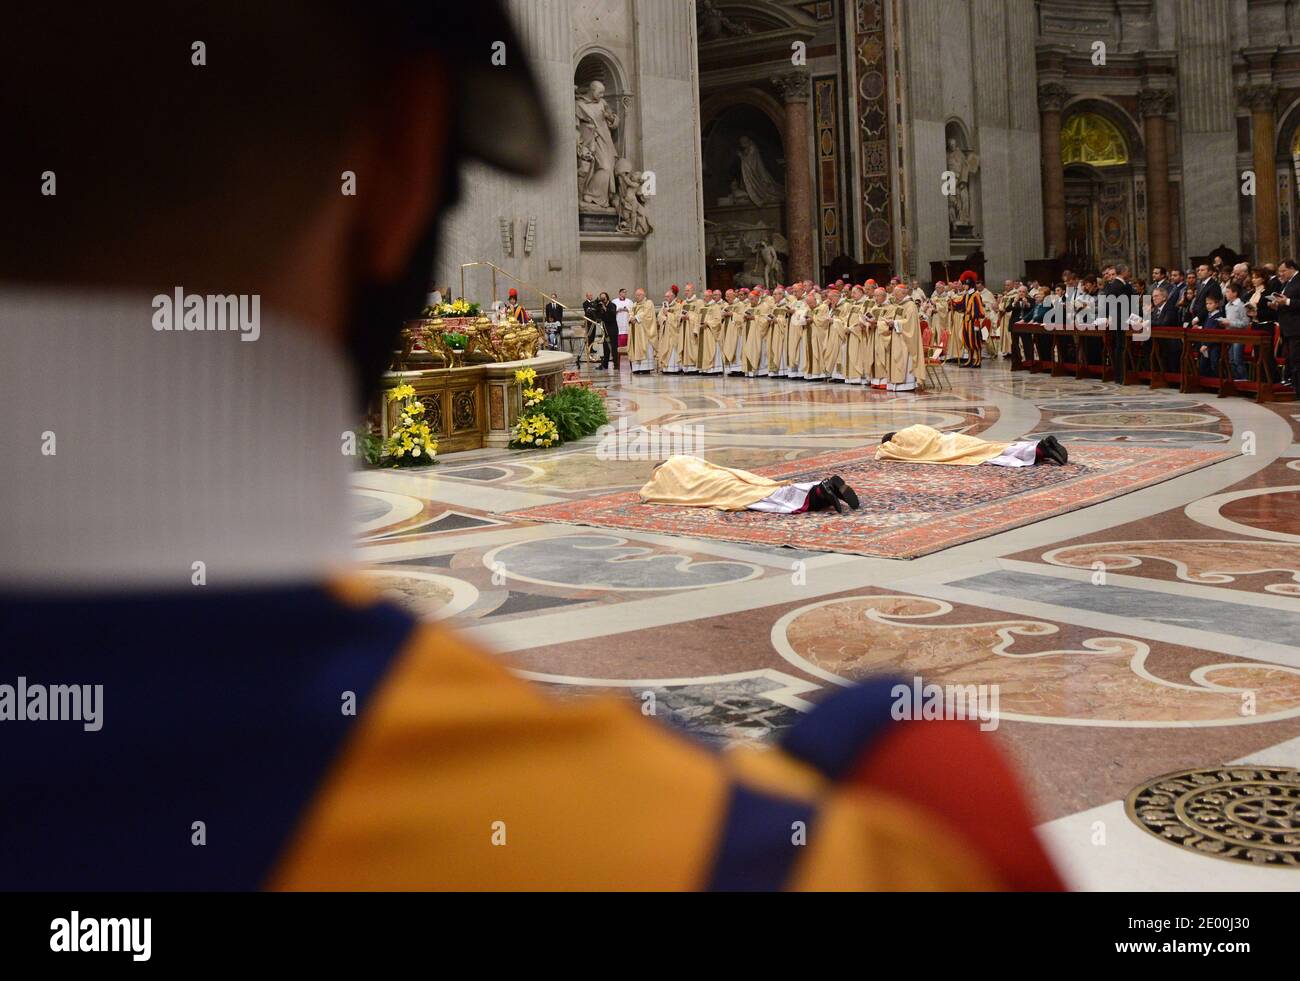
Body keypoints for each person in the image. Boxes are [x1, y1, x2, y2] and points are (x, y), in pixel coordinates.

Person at [640, 456, 860, 514]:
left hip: (714, 486)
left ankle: (820, 491)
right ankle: (820, 488)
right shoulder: (683, 459)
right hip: (726, 475)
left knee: (762, 499)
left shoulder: (666, 473)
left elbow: (648, 494)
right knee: (765, 487)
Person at [878, 426, 1069, 468]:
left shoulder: (899, 441)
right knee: (990, 447)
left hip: (947, 448)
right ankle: (1038, 447)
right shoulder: (916, 427)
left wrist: (884, 446)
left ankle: (1039, 450)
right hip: (951, 438)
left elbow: (885, 452)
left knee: (989, 454)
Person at [1268, 258, 1300, 387]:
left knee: (1297, 360)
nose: (1280, 274)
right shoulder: (1287, 283)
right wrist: (1277, 305)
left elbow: (1292, 302)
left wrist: (1286, 302)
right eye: (1279, 271)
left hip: (1296, 328)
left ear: (1292, 268)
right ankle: (1294, 387)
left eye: (1283, 271)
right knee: (1292, 360)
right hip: (1288, 328)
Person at [626, 288, 657, 374]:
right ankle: (636, 368)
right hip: (635, 331)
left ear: (643, 295)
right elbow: (630, 312)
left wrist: (636, 318)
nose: (637, 297)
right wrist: (631, 318)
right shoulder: (635, 304)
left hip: (644, 332)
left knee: (644, 347)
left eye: (639, 295)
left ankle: (645, 368)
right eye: (636, 295)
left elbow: (647, 314)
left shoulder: (648, 303)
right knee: (635, 347)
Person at [597, 291, 620, 371]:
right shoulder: (600, 306)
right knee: (605, 348)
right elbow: (600, 317)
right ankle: (605, 365)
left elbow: (612, 315)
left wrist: (605, 309)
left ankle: (616, 365)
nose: (603, 299)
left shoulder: (612, 305)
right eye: (601, 298)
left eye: (604, 298)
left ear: (607, 297)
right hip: (605, 329)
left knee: (613, 348)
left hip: (613, 329)